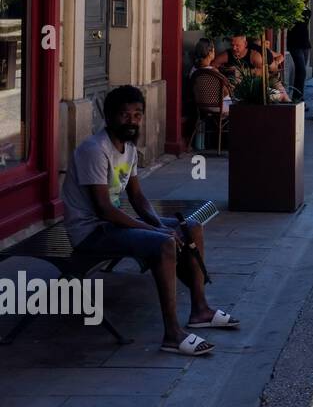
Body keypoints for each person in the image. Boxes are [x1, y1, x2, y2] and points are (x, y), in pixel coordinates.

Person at [63, 86, 240, 356]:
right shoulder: (94, 149)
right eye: (124, 115)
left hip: (112, 225)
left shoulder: (129, 149)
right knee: (164, 245)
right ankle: (171, 334)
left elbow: (137, 196)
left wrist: (158, 223)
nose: (132, 121)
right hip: (91, 231)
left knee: (191, 227)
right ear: (108, 116)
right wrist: (156, 233)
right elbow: (103, 209)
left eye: (137, 115)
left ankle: (200, 309)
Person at [286, 0, 312, 99]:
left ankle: (298, 96)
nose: (303, 3)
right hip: (294, 44)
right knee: (301, 70)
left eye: (305, 1)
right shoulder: (291, 12)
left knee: (301, 71)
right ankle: (297, 98)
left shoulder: (307, 12)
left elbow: (304, 17)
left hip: (305, 43)